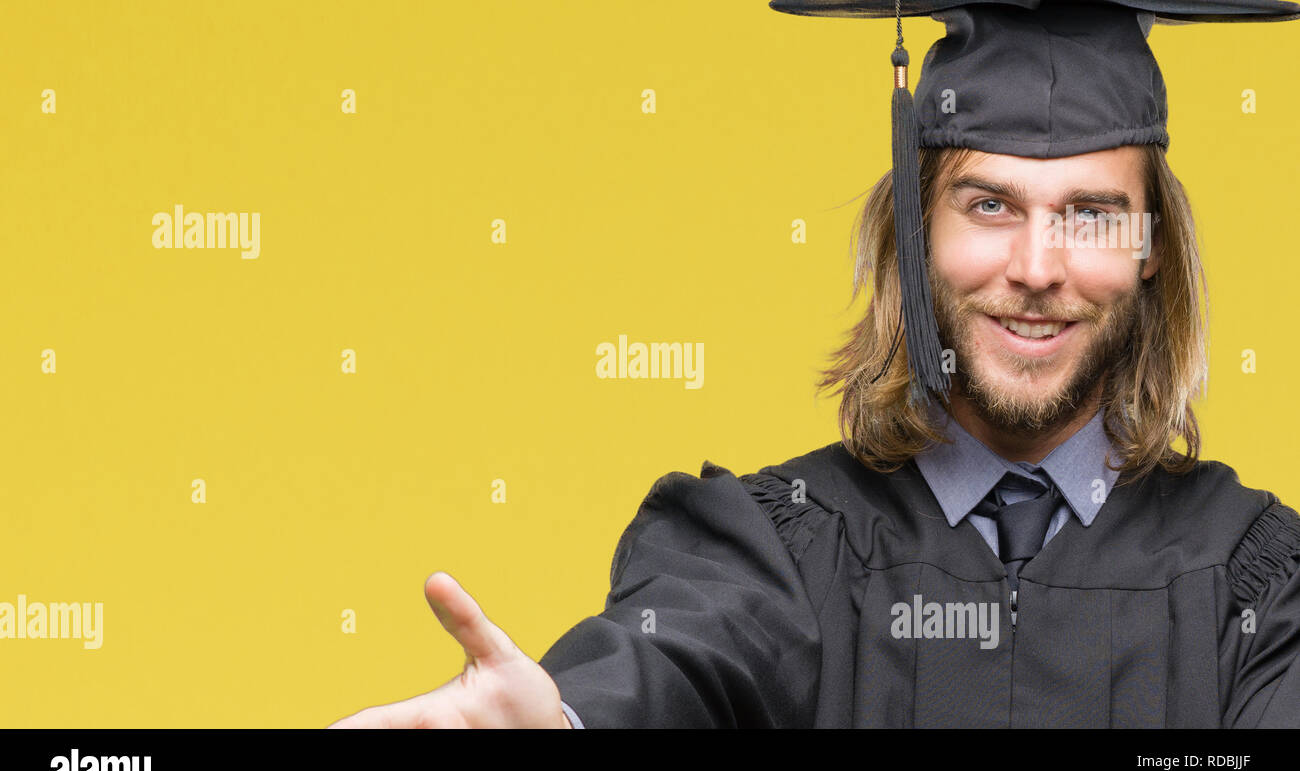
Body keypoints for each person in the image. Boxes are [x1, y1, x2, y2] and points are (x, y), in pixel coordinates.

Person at [330, 0, 1300, 729]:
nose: (1035, 268)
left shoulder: (1253, 588)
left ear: (1150, 249)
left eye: (1089, 215)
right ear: (915, 236)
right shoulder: (774, 559)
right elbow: (667, 668)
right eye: (988, 206)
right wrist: (564, 724)